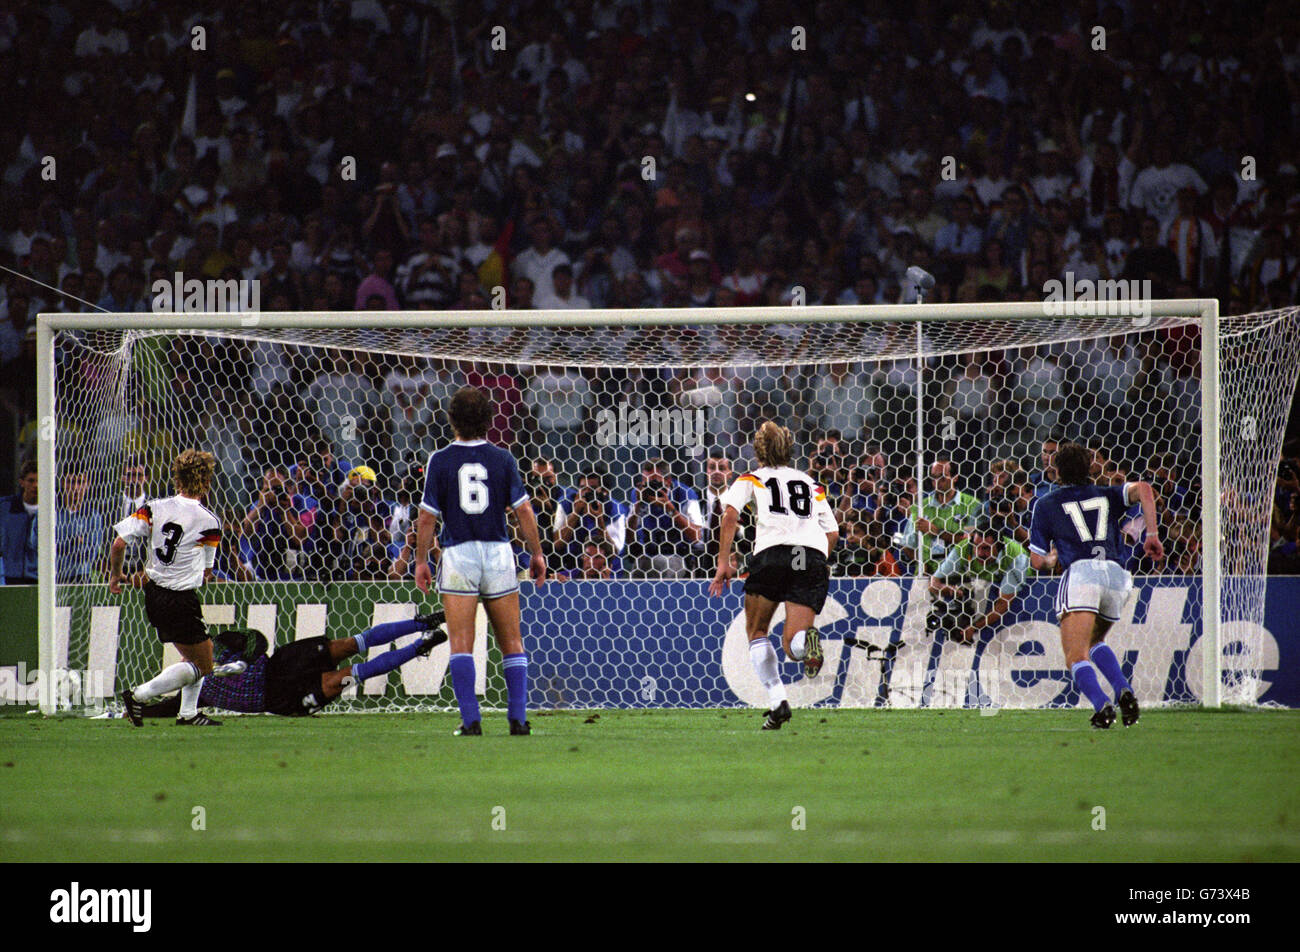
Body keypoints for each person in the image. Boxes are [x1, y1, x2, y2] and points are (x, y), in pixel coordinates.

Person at [415, 387, 547, 735]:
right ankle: (518, 720)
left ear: (451, 419)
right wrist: (536, 553)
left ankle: (471, 721)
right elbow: (524, 510)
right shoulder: (503, 458)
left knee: (461, 642)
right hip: (498, 552)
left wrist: (421, 560)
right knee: (512, 641)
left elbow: (427, 518)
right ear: (489, 421)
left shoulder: (439, 460)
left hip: (459, 554)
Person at [709, 421, 840, 731]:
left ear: (758, 450)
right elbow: (832, 532)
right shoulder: (809, 482)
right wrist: (817, 560)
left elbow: (730, 515)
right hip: (809, 557)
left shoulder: (751, 477)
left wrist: (723, 562)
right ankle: (805, 646)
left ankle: (778, 699)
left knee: (757, 630)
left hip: (771, 555)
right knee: (792, 645)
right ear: (789, 449)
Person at [1027, 441, 1164, 729]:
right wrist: (1152, 534)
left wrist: (1054, 558)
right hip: (1116, 576)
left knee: (1075, 655)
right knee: (1094, 642)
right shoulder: (1107, 494)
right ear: (1090, 467)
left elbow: (1037, 562)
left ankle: (1103, 706)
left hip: (1081, 574)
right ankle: (1123, 689)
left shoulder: (1046, 504)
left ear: (1056, 471)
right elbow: (1145, 490)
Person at [113, 450, 235, 727]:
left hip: (154, 595)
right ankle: (138, 696)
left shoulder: (154, 507)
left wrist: (115, 576)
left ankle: (188, 714)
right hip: (180, 599)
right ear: (207, 481)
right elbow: (207, 572)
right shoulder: (209, 521)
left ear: (176, 477)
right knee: (204, 664)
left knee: (191, 654)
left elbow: (119, 543)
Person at [134, 614, 448, 718]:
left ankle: (420, 623)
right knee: (345, 678)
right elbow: (170, 708)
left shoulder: (220, 642)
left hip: (281, 665)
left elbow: (256, 638)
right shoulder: (198, 688)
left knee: (349, 645)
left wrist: (244, 660)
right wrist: (135, 707)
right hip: (280, 701)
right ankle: (420, 646)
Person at [927, 515, 1032, 644]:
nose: (979, 553)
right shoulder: (964, 548)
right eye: (976, 546)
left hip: (1027, 591)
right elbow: (933, 582)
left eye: (986, 548)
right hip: (984, 589)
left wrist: (974, 627)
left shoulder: (1016, 557)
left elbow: (1003, 604)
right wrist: (945, 589)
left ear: (998, 546)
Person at [0, 460, 39, 585]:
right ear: (21, 482)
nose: (36, 485)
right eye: (31, 481)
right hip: (10, 576)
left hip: (39, 577)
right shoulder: (5, 507)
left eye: (39, 480)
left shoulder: (53, 511)